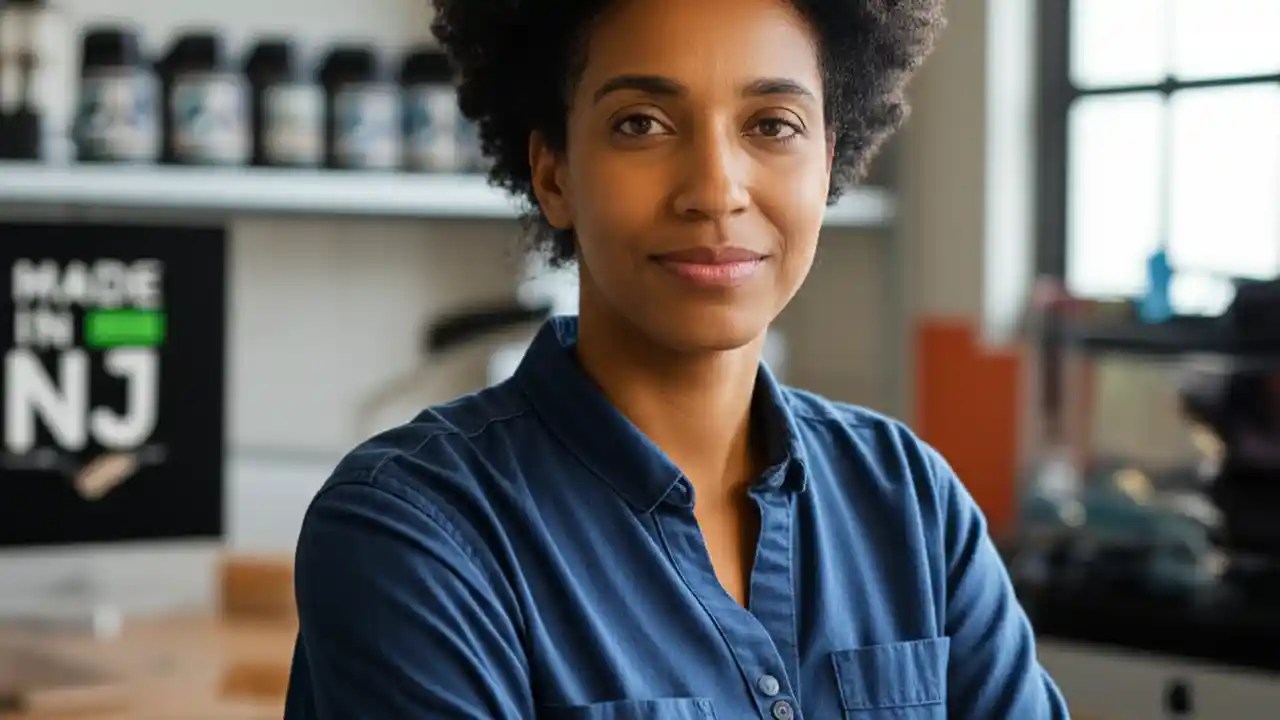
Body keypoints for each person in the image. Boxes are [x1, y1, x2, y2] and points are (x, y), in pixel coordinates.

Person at [284, 0, 1070, 717]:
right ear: (554, 174)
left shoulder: (913, 506)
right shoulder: (415, 530)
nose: (716, 190)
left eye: (773, 125)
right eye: (642, 124)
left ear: (828, 163)